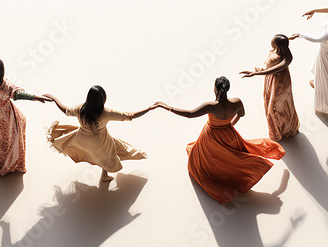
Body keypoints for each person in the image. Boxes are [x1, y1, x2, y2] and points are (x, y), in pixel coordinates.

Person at [156, 77, 285, 204]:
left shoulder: (211, 106)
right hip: (229, 134)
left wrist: (167, 107)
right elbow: (242, 114)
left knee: (210, 158)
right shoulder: (236, 102)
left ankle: (219, 176)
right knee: (231, 157)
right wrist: (230, 124)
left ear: (215, 89)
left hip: (211, 136)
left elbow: (190, 114)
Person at [42, 86, 156, 184]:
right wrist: (149, 109)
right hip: (100, 141)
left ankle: (104, 175)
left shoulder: (81, 109)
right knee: (112, 151)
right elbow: (130, 116)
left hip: (82, 139)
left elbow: (65, 110)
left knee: (102, 154)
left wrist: (55, 99)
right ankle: (105, 175)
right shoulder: (106, 113)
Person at [240, 34, 300, 140]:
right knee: (271, 104)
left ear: (278, 45)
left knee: (277, 107)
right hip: (270, 80)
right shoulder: (275, 50)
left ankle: (284, 130)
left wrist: (256, 74)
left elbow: (274, 69)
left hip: (280, 83)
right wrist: (257, 71)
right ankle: (279, 128)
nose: (271, 42)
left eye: (273, 41)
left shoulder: (287, 57)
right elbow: (267, 67)